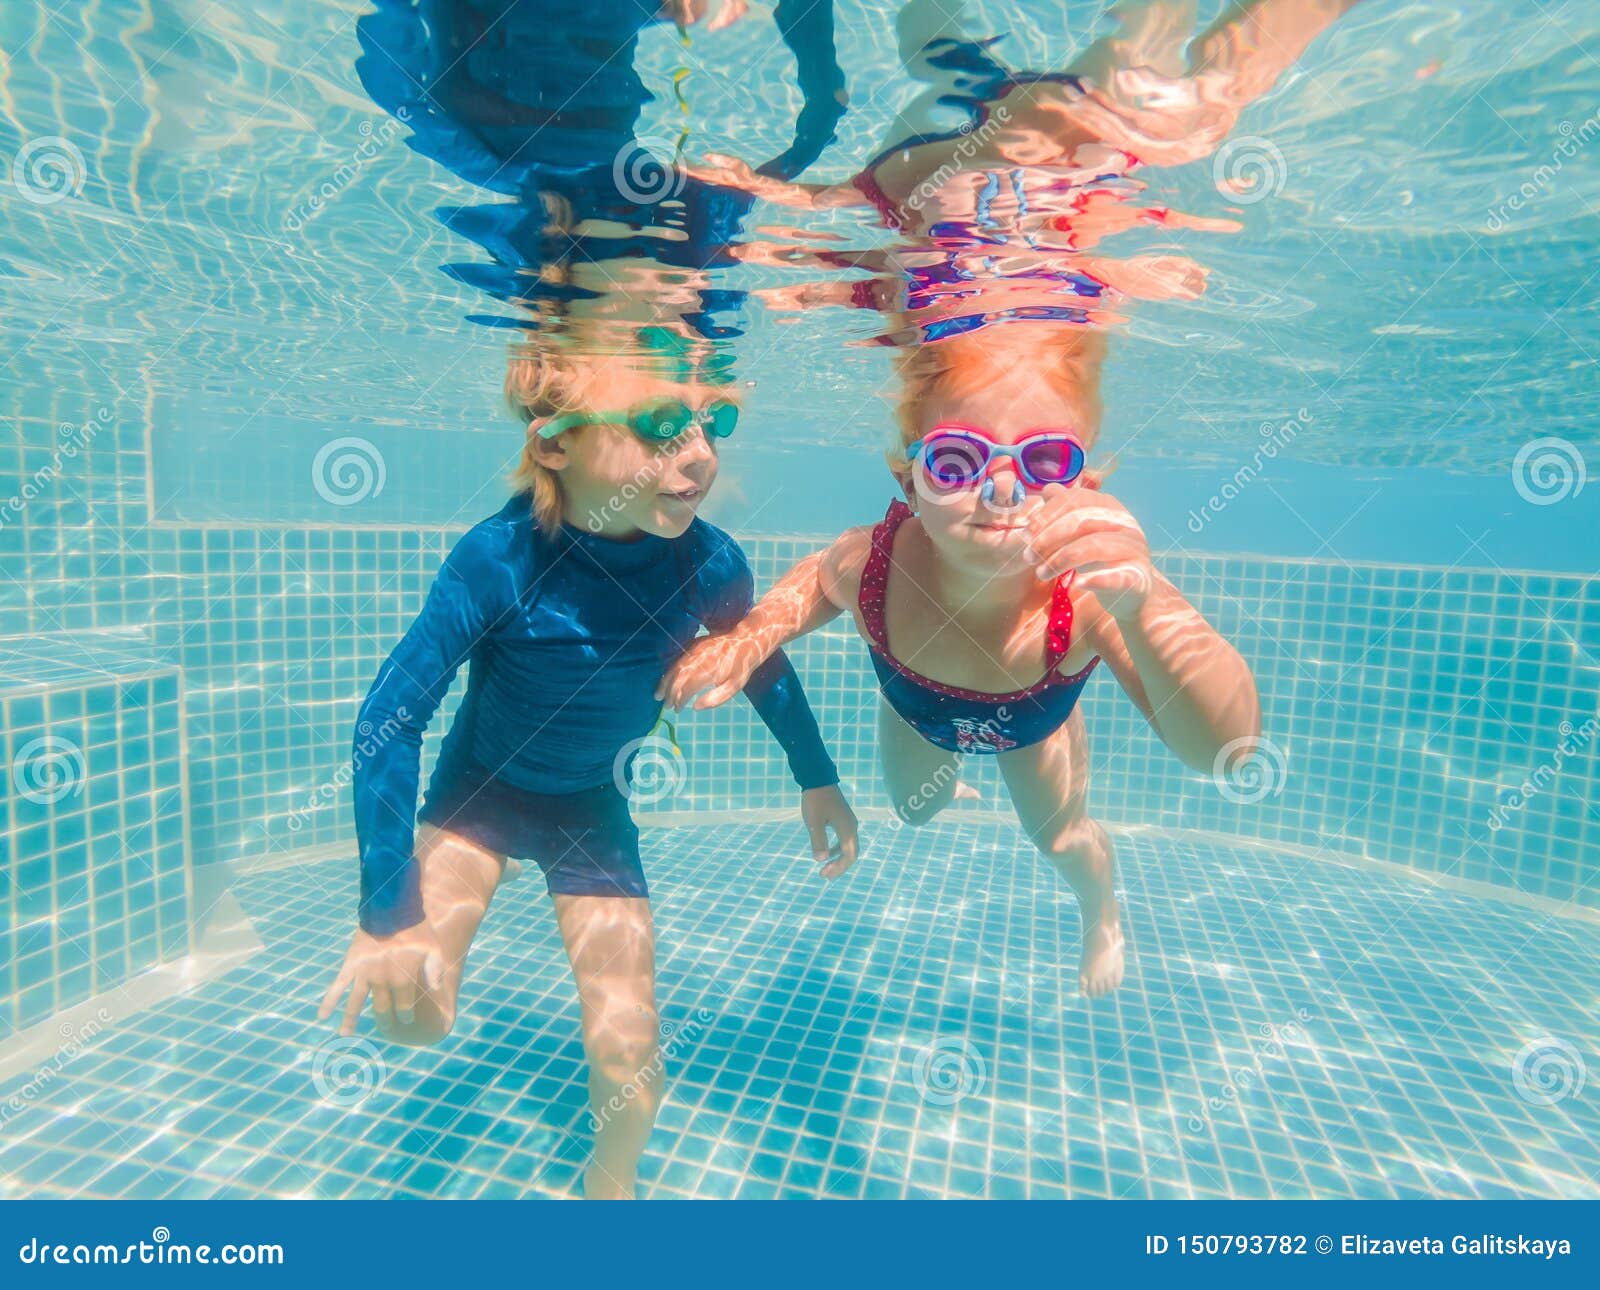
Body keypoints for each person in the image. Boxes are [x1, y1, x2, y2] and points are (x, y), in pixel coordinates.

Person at [320, 332, 859, 1200]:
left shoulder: (707, 562)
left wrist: (816, 778)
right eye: (659, 426)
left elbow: (760, 663)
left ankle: (609, 1192)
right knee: (414, 1016)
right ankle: (456, 909)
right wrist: (387, 910)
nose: (700, 456)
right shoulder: (500, 558)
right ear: (555, 446)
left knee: (628, 1052)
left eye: (710, 422)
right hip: (479, 799)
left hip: (592, 814)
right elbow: (392, 716)